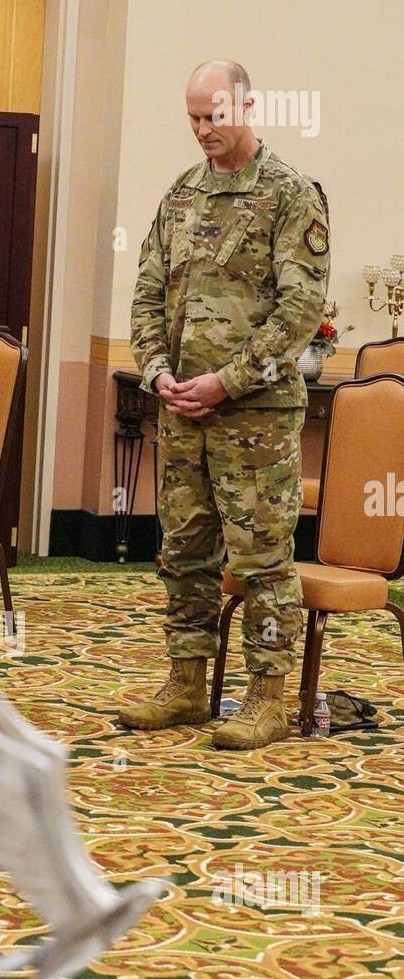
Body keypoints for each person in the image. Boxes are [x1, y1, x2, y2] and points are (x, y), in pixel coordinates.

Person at [118, 61, 330, 749]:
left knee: (263, 561)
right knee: (183, 553)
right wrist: (156, 373)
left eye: (214, 116)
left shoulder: (290, 195)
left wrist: (228, 381)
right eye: (194, 119)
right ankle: (185, 685)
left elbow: (299, 311)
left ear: (248, 105)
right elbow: (148, 294)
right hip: (181, 412)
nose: (204, 130)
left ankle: (268, 699)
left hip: (255, 420)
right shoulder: (180, 196)